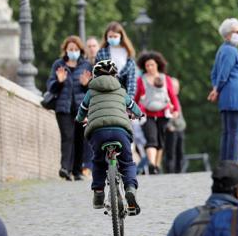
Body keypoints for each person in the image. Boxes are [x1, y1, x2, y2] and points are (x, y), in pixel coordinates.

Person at [76, 59, 146, 215]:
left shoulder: (90, 92)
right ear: (115, 76)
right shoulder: (121, 91)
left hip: (98, 132)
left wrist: (81, 119)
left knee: (98, 161)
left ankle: (98, 193)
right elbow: (133, 107)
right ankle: (130, 189)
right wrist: (138, 114)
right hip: (120, 131)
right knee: (127, 163)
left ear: (94, 76)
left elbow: (82, 111)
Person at [45, 35, 93, 180]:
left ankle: (77, 171)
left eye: (76, 49)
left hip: (81, 108)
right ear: (65, 50)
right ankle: (65, 168)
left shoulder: (86, 66)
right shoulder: (58, 65)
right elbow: (50, 87)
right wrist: (59, 82)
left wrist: (86, 84)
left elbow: (92, 90)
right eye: (70, 49)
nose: (73, 52)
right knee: (67, 137)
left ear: (80, 50)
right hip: (63, 109)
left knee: (79, 139)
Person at [208, 18, 238, 162]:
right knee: (234, 133)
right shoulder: (230, 50)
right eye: (236, 31)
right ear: (227, 35)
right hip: (235, 97)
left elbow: (215, 73)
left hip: (229, 96)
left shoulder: (224, 49)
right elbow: (223, 74)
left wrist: (216, 88)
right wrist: (216, 89)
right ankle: (231, 164)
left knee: (228, 132)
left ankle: (225, 163)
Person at [135, 51, 181, 175]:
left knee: (160, 141)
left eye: (152, 65)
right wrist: (132, 110)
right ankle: (151, 164)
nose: (150, 67)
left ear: (157, 65)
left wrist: (176, 110)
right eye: (147, 65)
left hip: (163, 114)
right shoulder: (141, 80)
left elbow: (172, 95)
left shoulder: (165, 79)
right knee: (151, 139)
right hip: (146, 115)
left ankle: (156, 165)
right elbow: (137, 97)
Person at [94, 22, 138, 98]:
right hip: (106, 94)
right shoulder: (102, 53)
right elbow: (97, 76)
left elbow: (132, 81)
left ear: (121, 36)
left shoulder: (128, 53)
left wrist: (129, 99)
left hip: (124, 95)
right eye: (110, 36)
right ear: (106, 37)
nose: (112, 39)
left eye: (115, 36)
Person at [164, 77, 187, 174]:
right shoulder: (166, 99)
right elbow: (164, 114)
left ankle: (179, 172)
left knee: (180, 152)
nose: (177, 89)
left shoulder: (176, 99)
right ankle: (170, 173)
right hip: (171, 129)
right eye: (174, 87)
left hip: (180, 128)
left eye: (178, 87)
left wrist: (183, 125)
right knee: (171, 153)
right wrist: (169, 126)